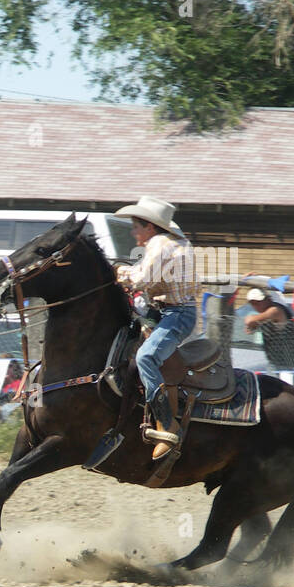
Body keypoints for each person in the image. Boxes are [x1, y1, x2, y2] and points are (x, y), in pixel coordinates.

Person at [115, 195, 201, 459]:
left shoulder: (159, 243)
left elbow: (142, 279)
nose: (133, 232)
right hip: (169, 311)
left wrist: (119, 272)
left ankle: (167, 423)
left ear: (149, 227)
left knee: (147, 356)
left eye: (136, 227)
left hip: (176, 314)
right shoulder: (173, 242)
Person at [242, 287, 294, 369]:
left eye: (258, 302)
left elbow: (249, 320)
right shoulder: (265, 314)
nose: (256, 306)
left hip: (289, 365)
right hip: (276, 363)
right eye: (253, 303)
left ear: (268, 299)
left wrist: (253, 324)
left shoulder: (275, 310)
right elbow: (250, 329)